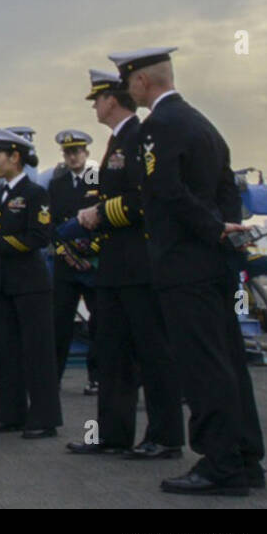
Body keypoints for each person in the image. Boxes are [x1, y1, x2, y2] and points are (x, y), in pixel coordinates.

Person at [109, 47, 265, 495]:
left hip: (184, 265)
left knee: (202, 367)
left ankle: (220, 466)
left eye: (129, 81)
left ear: (141, 82)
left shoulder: (159, 126)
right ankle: (246, 458)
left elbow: (167, 193)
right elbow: (225, 188)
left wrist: (214, 230)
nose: (128, 89)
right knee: (229, 361)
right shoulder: (202, 123)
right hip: (213, 265)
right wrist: (224, 235)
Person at [66, 70, 184, 460]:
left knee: (154, 353)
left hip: (140, 265)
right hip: (115, 266)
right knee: (112, 351)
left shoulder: (139, 138)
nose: (95, 106)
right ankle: (113, 434)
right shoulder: (117, 140)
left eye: (97, 100)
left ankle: (165, 437)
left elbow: (144, 200)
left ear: (111, 101)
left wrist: (99, 213)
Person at [0, 128, 62, 438]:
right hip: (5, 282)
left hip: (30, 283)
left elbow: (39, 237)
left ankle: (44, 418)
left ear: (14, 157)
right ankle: (11, 414)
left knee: (37, 352)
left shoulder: (34, 194)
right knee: (9, 351)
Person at [49, 130, 99, 394]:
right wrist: (67, 252)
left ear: (86, 153)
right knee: (59, 322)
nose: (72, 156)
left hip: (93, 262)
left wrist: (93, 250)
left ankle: (97, 377)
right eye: (68, 152)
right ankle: (52, 379)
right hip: (66, 264)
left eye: (77, 151)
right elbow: (52, 224)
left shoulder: (97, 180)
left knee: (98, 323)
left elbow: (104, 218)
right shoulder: (56, 185)